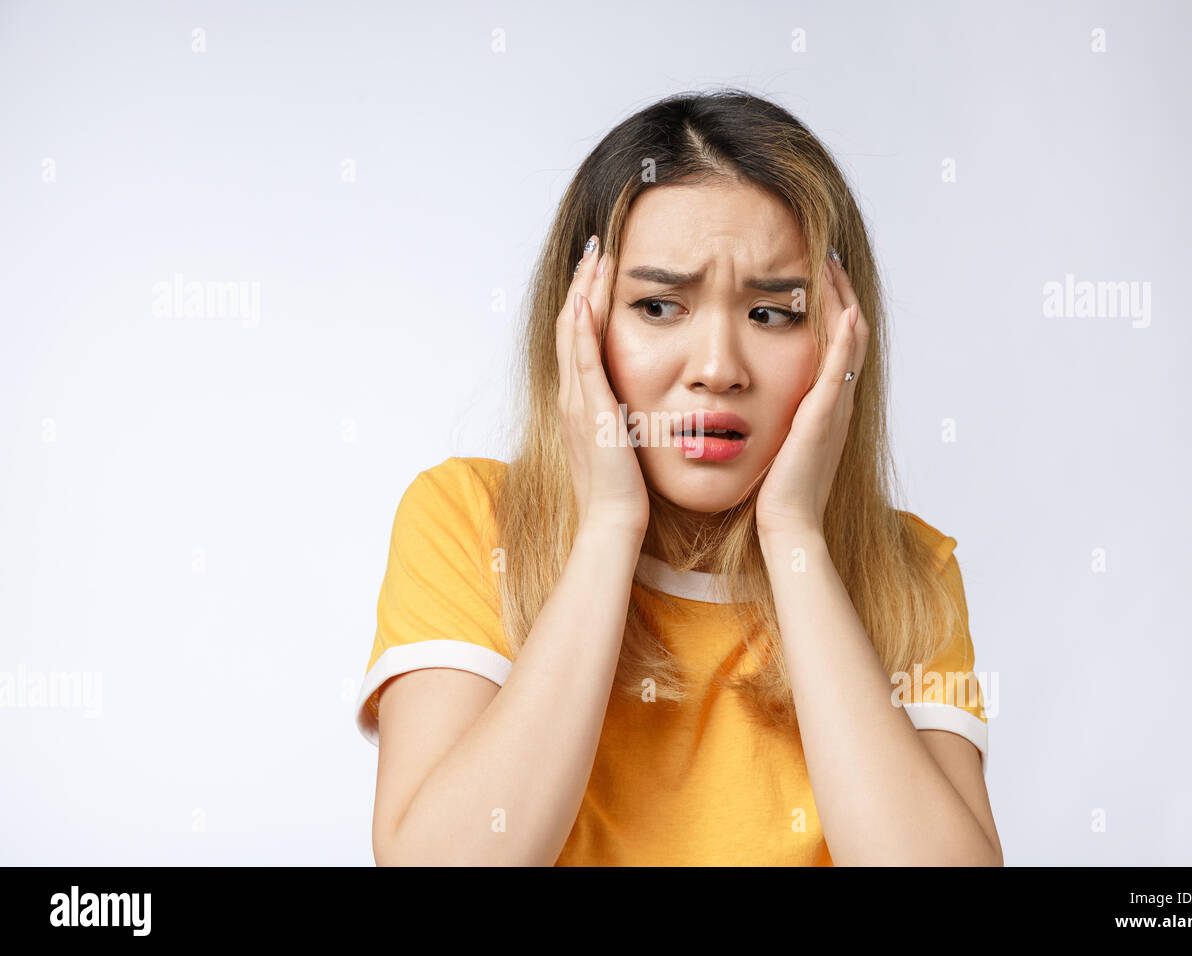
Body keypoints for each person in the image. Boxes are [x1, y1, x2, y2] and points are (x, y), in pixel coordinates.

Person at [354, 89, 1002, 866]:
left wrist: (795, 537)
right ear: (580, 324)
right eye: (659, 306)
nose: (718, 369)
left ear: (841, 342)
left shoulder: (912, 572)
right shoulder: (466, 518)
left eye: (772, 314)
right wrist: (606, 532)